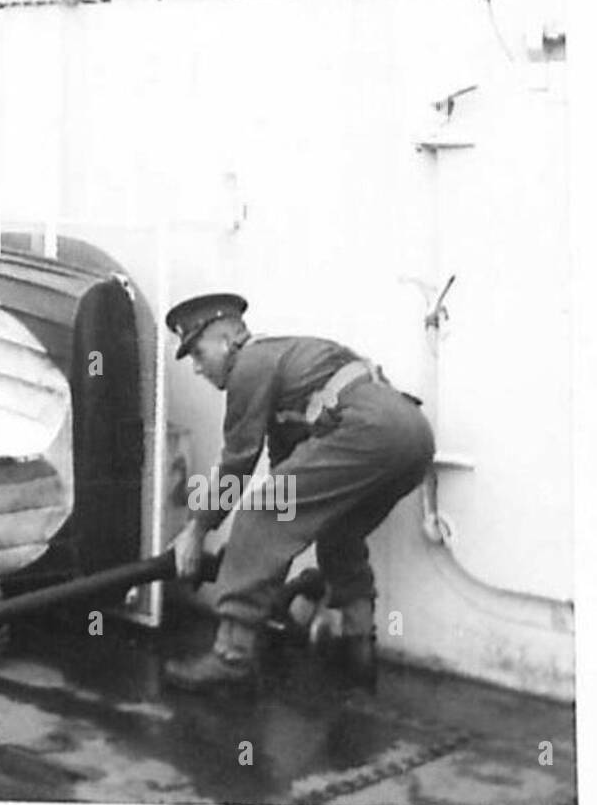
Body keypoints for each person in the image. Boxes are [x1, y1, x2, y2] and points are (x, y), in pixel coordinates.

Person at [162, 292, 435, 694]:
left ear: (225, 340)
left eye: (198, 354)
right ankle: (357, 645)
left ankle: (231, 657)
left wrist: (198, 529)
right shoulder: (286, 361)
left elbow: (238, 463)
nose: (198, 369)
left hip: (372, 432)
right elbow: (287, 470)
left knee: (259, 512)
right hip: (412, 438)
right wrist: (252, 559)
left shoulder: (250, 366)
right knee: (338, 531)